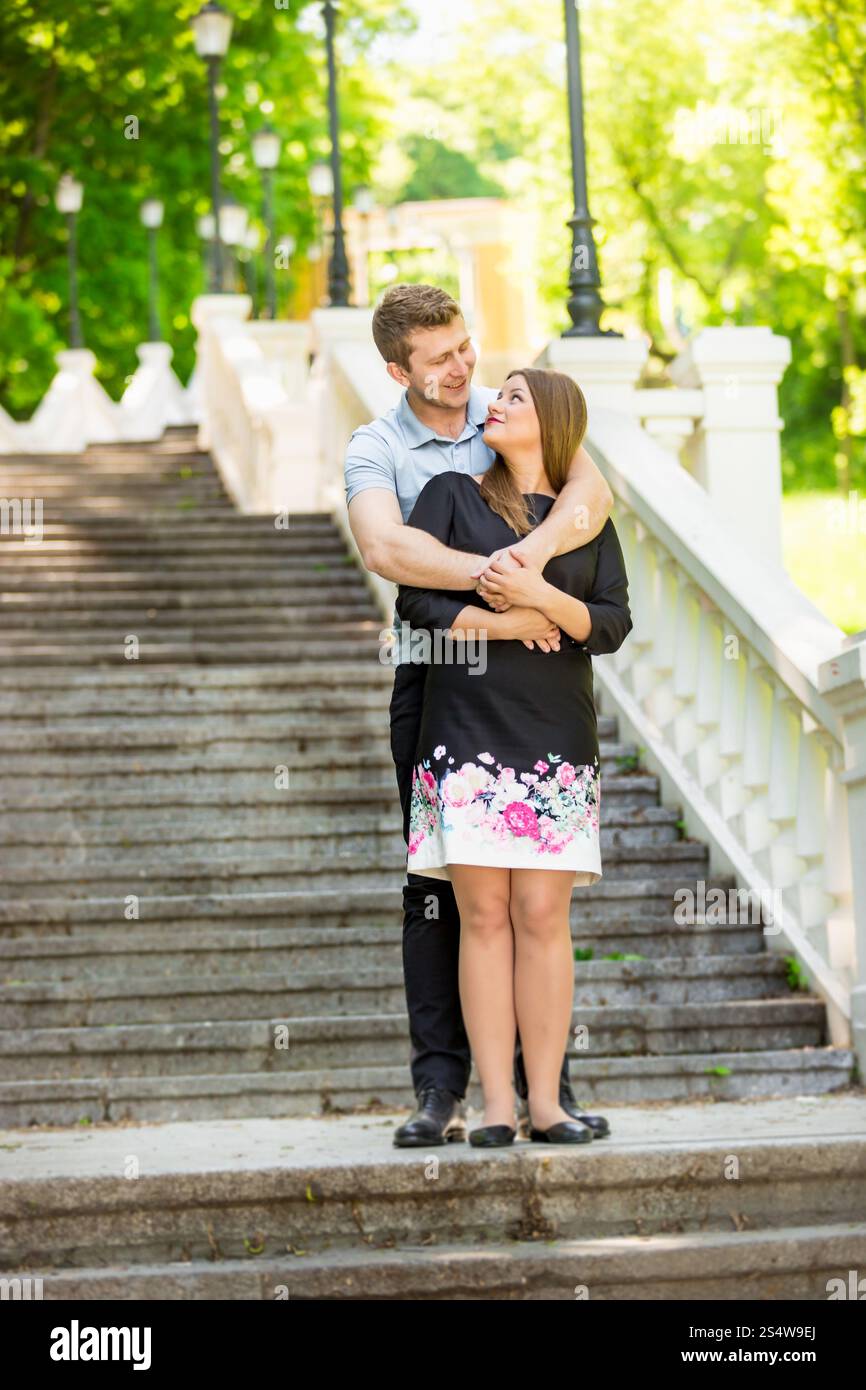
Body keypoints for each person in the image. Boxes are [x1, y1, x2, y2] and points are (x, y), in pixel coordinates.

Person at [345, 282, 614, 1147]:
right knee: (441, 896)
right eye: (441, 360)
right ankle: (443, 1089)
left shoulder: (506, 410)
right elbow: (390, 553)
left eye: (466, 348)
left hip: (541, 702)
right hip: (440, 679)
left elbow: (591, 495)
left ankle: (546, 1090)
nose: (464, 370)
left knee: (537, 910)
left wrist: (533, 564)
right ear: (399, 370)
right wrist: (507, 600)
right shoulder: (378, 445)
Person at [395, 366, 632, 1144]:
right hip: (465, 734)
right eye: (496, 393)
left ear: (554, 418)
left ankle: (548, 1106)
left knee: (542, 915)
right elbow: (418, 605)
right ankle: (495, 1107)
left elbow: (610, 623)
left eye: (514, 396)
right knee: (484, 918)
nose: (493, 403)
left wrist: (539, 601)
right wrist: (503, 624)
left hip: (555, 737)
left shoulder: (585, 521)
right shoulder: (451, 497)